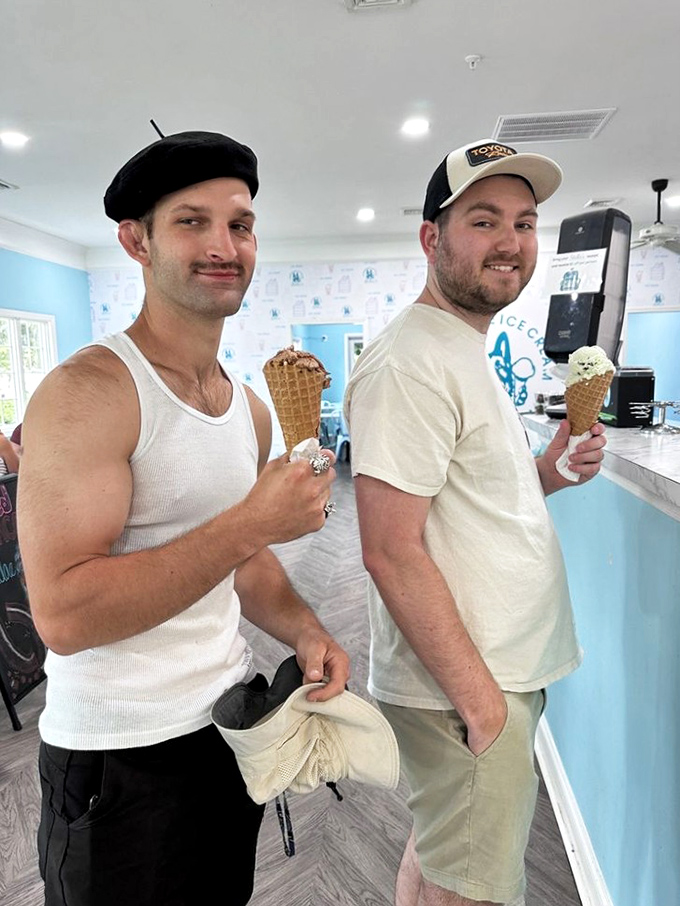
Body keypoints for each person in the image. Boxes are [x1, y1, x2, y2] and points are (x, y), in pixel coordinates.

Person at [18, 130, 350, 906]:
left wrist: (304, 628)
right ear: (136, 241)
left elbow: (241, 563)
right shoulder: (88, 393)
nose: (223, 245)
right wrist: (249, 523)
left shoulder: (248, 408)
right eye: (191, 221)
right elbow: (62, 614)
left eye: (239, 224)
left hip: (227, 732)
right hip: (117, 761)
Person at [344, 140, 607, 906]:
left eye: (525, 223)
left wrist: (551, 469)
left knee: (440, 864)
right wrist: (484, 708)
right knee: (472, 892)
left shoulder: (461, 348)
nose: (511, 243)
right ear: (433, 239)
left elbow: (473, 504)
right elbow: (390, 551)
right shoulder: (410, 362)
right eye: (484, 220)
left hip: (483, 677)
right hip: (465, 686)